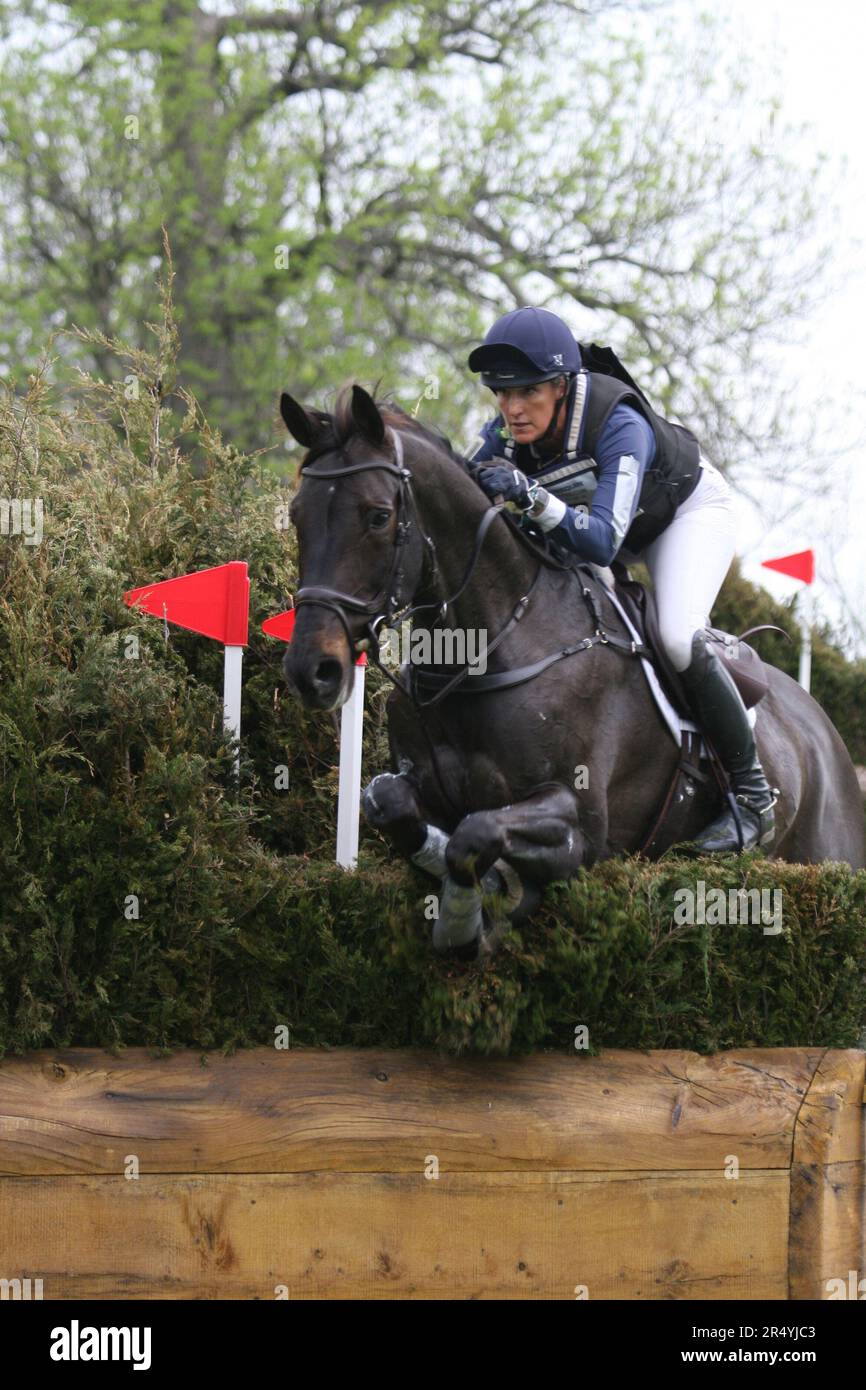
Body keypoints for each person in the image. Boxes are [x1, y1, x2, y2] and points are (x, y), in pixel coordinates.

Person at [465, 305, 777, 854]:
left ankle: (754, 796)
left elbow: (605, 541)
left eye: (527, 393)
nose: (511, 409)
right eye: (501, 393)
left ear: (561, 386)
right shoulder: (505, 432)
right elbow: (461, 493)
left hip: (681, 517)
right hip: (607, 528)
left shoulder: (618, 422)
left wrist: (530, 495)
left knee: (677, 635)